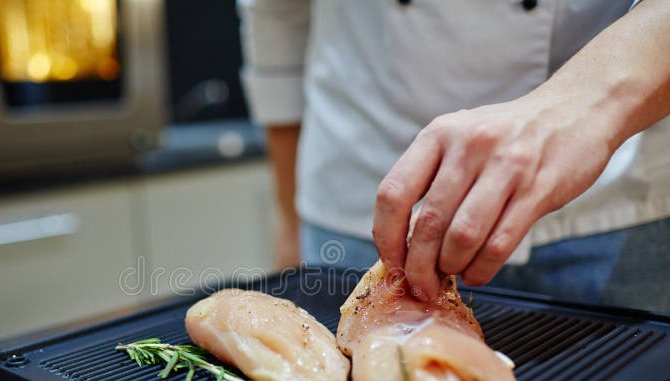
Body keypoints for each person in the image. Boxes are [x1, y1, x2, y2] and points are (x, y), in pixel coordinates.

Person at [238, 0, 670, 312]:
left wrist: (589, 102)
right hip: (357, 203)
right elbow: (276, 13)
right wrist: (288, 217)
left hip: (612, 203)